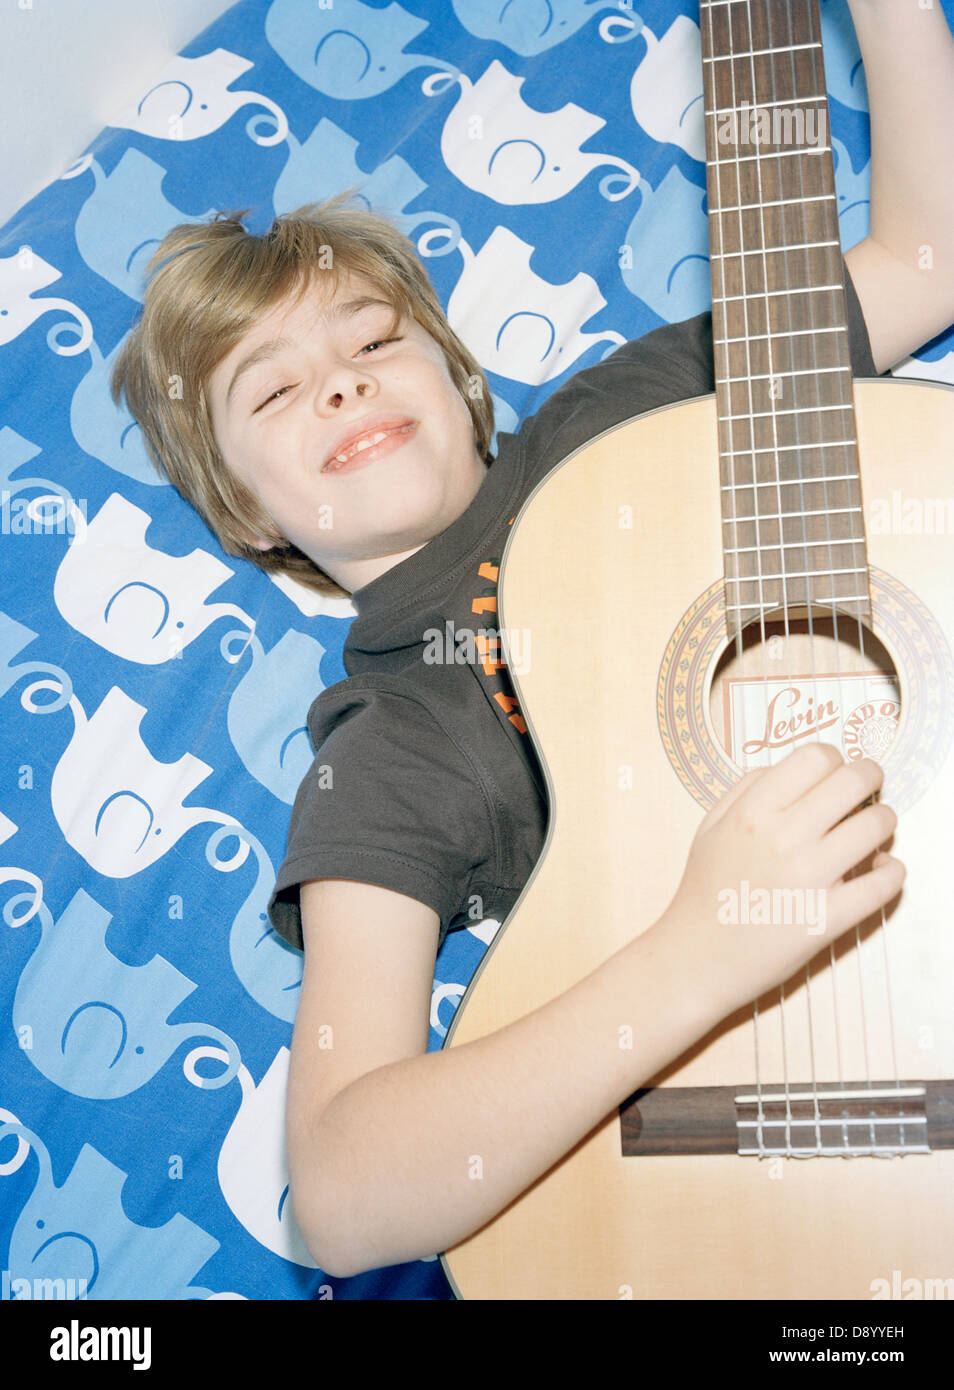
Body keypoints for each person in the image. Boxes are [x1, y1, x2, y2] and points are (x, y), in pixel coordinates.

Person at [111, 1, 954, 1284]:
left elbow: (927, 263)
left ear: (461, 377)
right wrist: (700, 946)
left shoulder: (619, 418)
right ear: (244, 513)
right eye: (272, 390)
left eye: (375, 340)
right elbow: (339, 1196)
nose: (339, 381)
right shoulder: (388, 743)